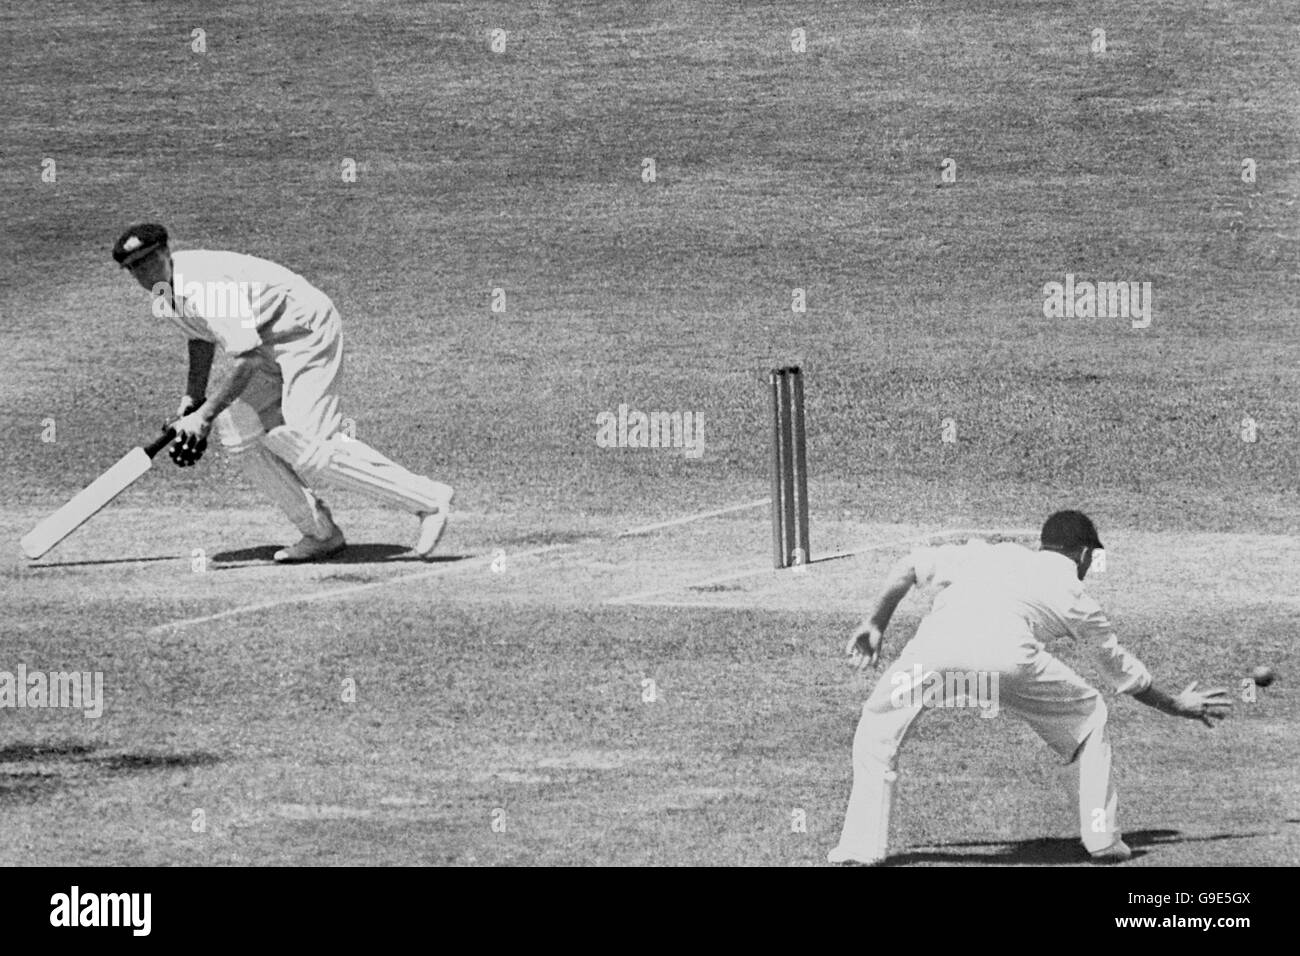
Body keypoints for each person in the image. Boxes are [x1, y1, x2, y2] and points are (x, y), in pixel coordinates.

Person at [828, 510, 1231, 865]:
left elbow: (908, 567)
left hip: (933, 653)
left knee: (876, 727)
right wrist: (1177, 705)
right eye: (1094, 559)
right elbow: (1123, 674)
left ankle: (859, 849)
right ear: (1085, 555)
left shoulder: (991, 553)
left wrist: (876, 623)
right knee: (1091, 715)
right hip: (1007, 660)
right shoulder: (1076, 595)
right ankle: (1103, 840)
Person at [113, 223, 452, 562]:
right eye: (135, 267)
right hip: (265, 341)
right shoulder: (165, 289)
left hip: (303, 330)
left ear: (166, 252)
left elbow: (245, 360)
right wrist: (192, 398)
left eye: (150, 260)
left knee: (307, 444)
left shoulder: (202, 286)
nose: (145, 271)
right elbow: (201, 335)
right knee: (238, 430)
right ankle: (320, 533)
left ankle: (429, 500)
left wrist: (203, 416)